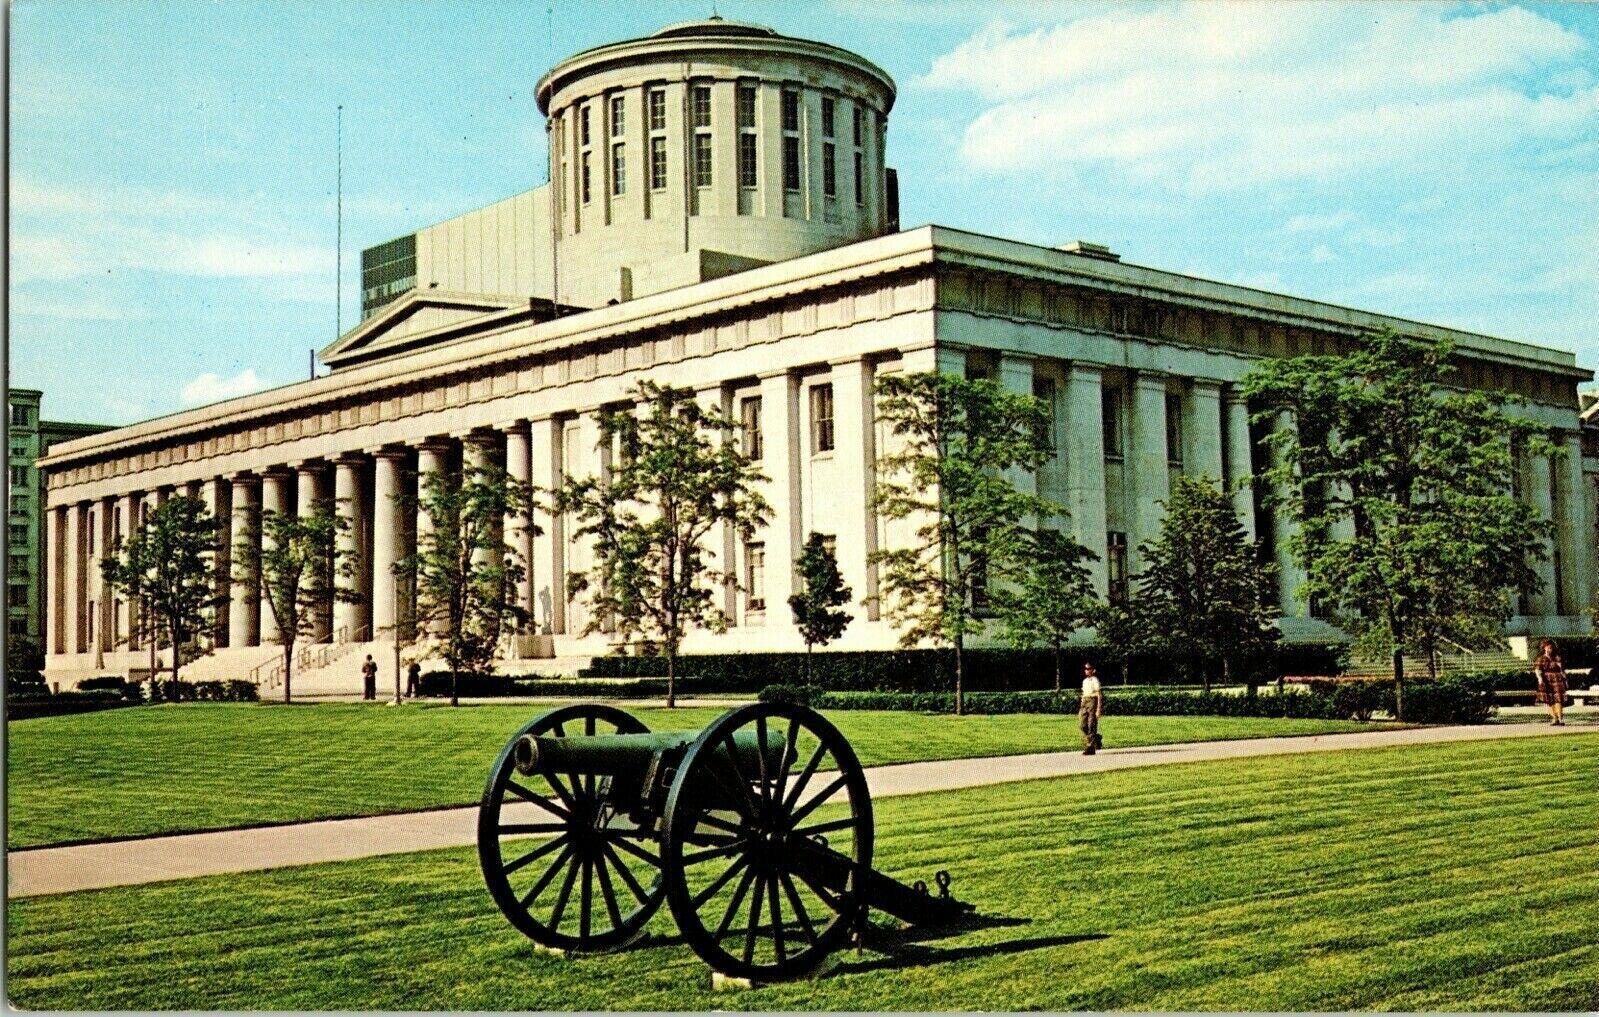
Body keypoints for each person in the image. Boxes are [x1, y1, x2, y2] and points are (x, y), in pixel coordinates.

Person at [1534, 638, 1567, 726]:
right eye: (1548, 647)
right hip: (1546, 680)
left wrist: (1564, 678)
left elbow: (1562, 671)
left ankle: (1560, 718)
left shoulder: (1556, 658)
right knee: (1549, 700)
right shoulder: (1541, 658)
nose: (1550, 649)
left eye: (1551, 648)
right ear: (1544, 648)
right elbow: (1537, 670)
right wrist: (1540, 679)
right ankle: (1554, 718)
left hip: (1557, 680)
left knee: (1558, 699)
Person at [1079, 661, 1104, 754]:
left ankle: (1090, 747)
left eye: (1089, 669)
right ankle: (1096, 738)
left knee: (1091, 725)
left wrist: (1098, 709)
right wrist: (1081, 707)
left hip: (1092, 701)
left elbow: (1099, 695)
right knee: (1082, 725)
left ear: (1093, 670)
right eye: (1085, 669)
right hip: (1085, 702)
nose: (1087, 670)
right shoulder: (1084, 681)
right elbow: (1083, 694)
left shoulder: (1095, 680)